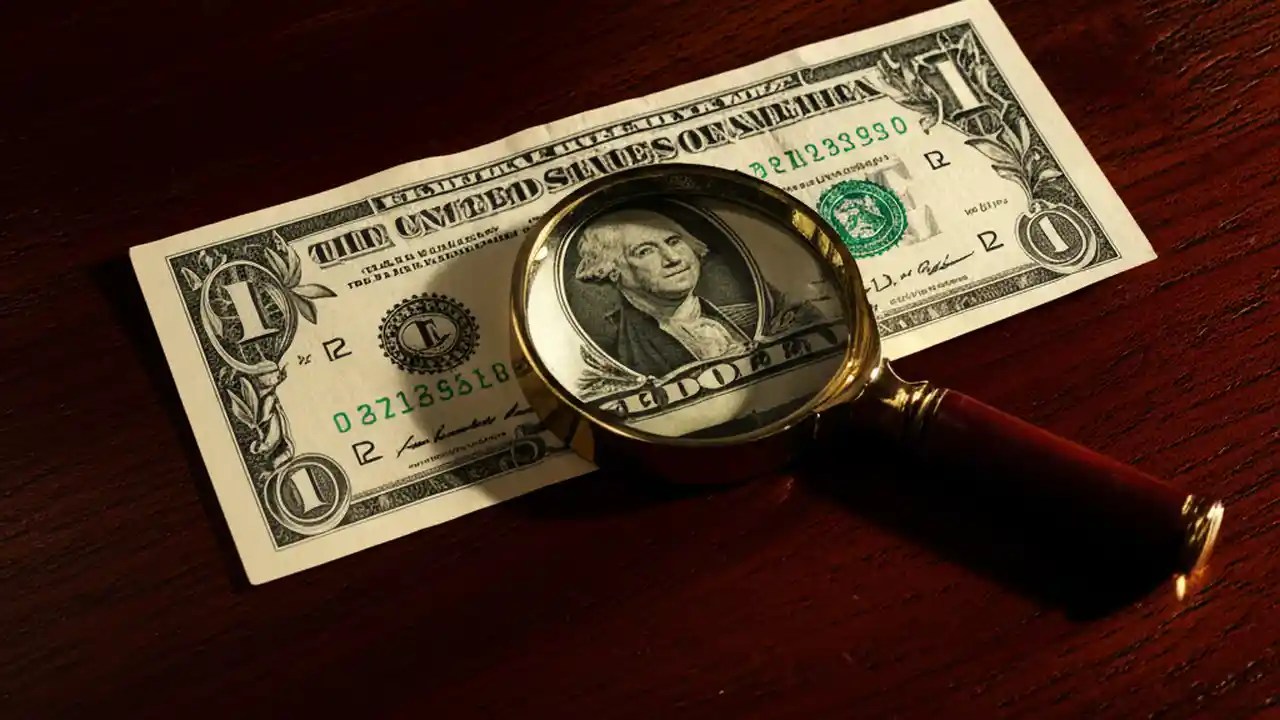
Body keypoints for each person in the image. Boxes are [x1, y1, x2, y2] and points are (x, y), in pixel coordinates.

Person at [572, 206, 758, 378]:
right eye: (645, 251)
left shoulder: (750, 317)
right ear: (611, 270)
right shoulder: (612, 350)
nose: (673, 258)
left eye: (674, 241)